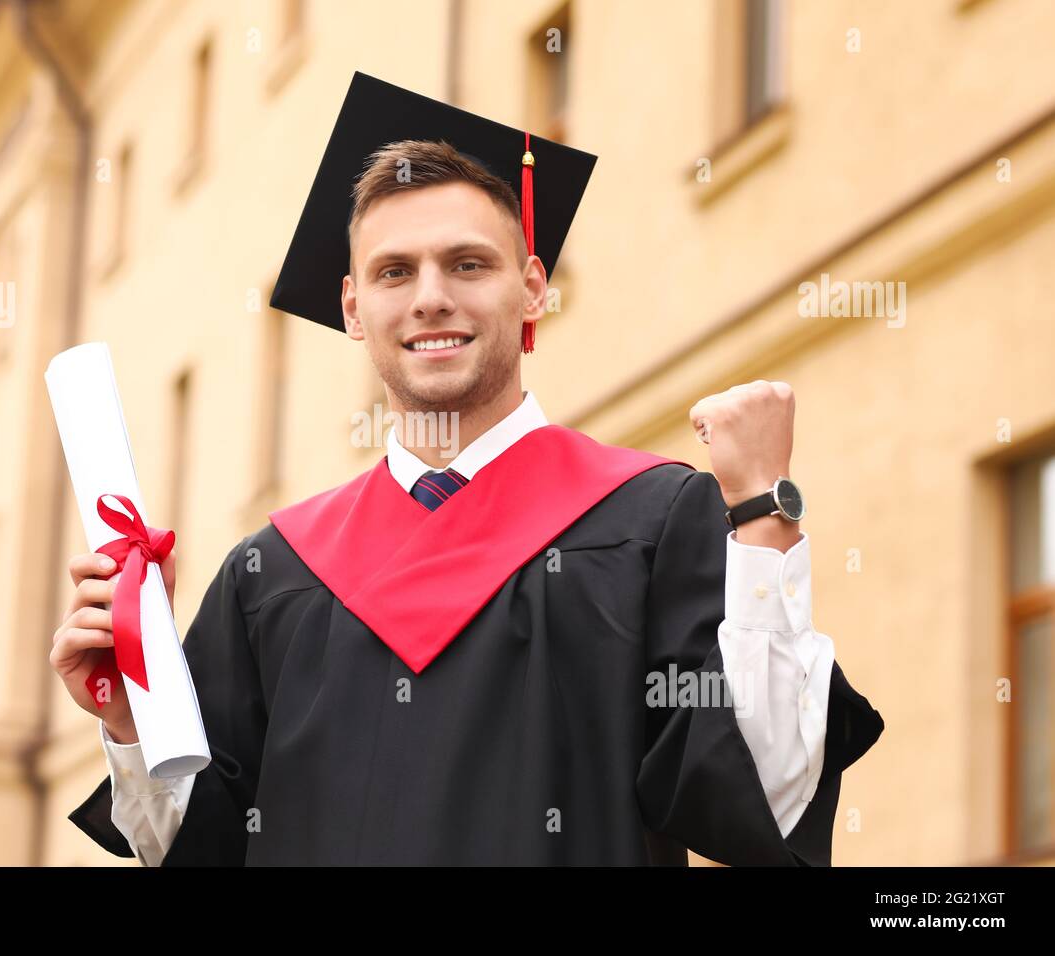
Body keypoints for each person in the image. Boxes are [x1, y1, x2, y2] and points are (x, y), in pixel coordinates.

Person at [52, 72, 883, 866]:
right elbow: (204, 851)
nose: (430, 298)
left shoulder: (656, 522)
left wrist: (766, 521)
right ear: (352, 309)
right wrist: (132, 720)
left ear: (532, 289)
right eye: (394, 272)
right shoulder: (269, 575)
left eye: (468, 264)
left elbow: (762, 804)